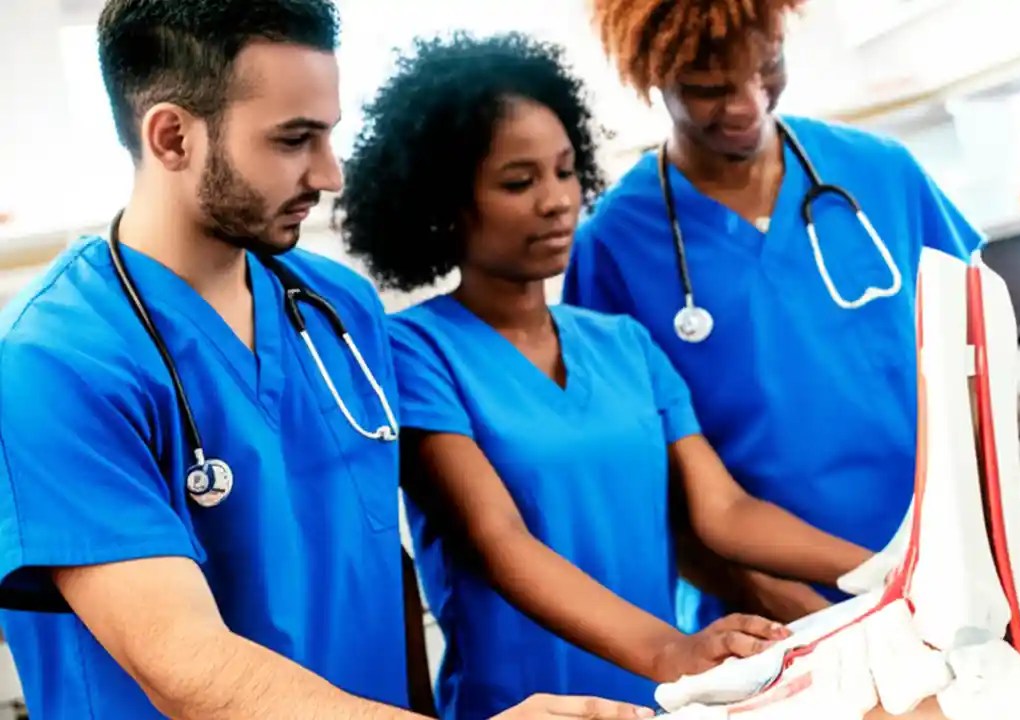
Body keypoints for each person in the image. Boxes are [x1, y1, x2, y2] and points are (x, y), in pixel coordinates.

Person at [0, 3, 649, 719]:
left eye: (329, 135)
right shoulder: (54, 361)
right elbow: (184, 666)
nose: (331, 174)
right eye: (294, 140)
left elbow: (381, 562)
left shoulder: (340, 309)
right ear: (173, 135)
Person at [337, 32, 876, 720]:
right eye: (518, 182)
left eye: (564, 171)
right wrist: (669, 649)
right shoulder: (416, 352)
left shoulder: (624, 344)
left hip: (661, 704)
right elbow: (499, 540)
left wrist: (879, 568)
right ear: (443, 203)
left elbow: (726, 513)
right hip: (525, 708)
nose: (558, 201)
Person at [564, 0, 986, 627]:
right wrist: (750, 586)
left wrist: (982, 528)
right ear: (652, 75)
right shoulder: (613, 245)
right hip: (773, 605)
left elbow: (977, 350)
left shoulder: (881, 171)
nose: (749, 106)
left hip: (944, 564)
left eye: (767, 69)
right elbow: (636, 468)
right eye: (709, 89)